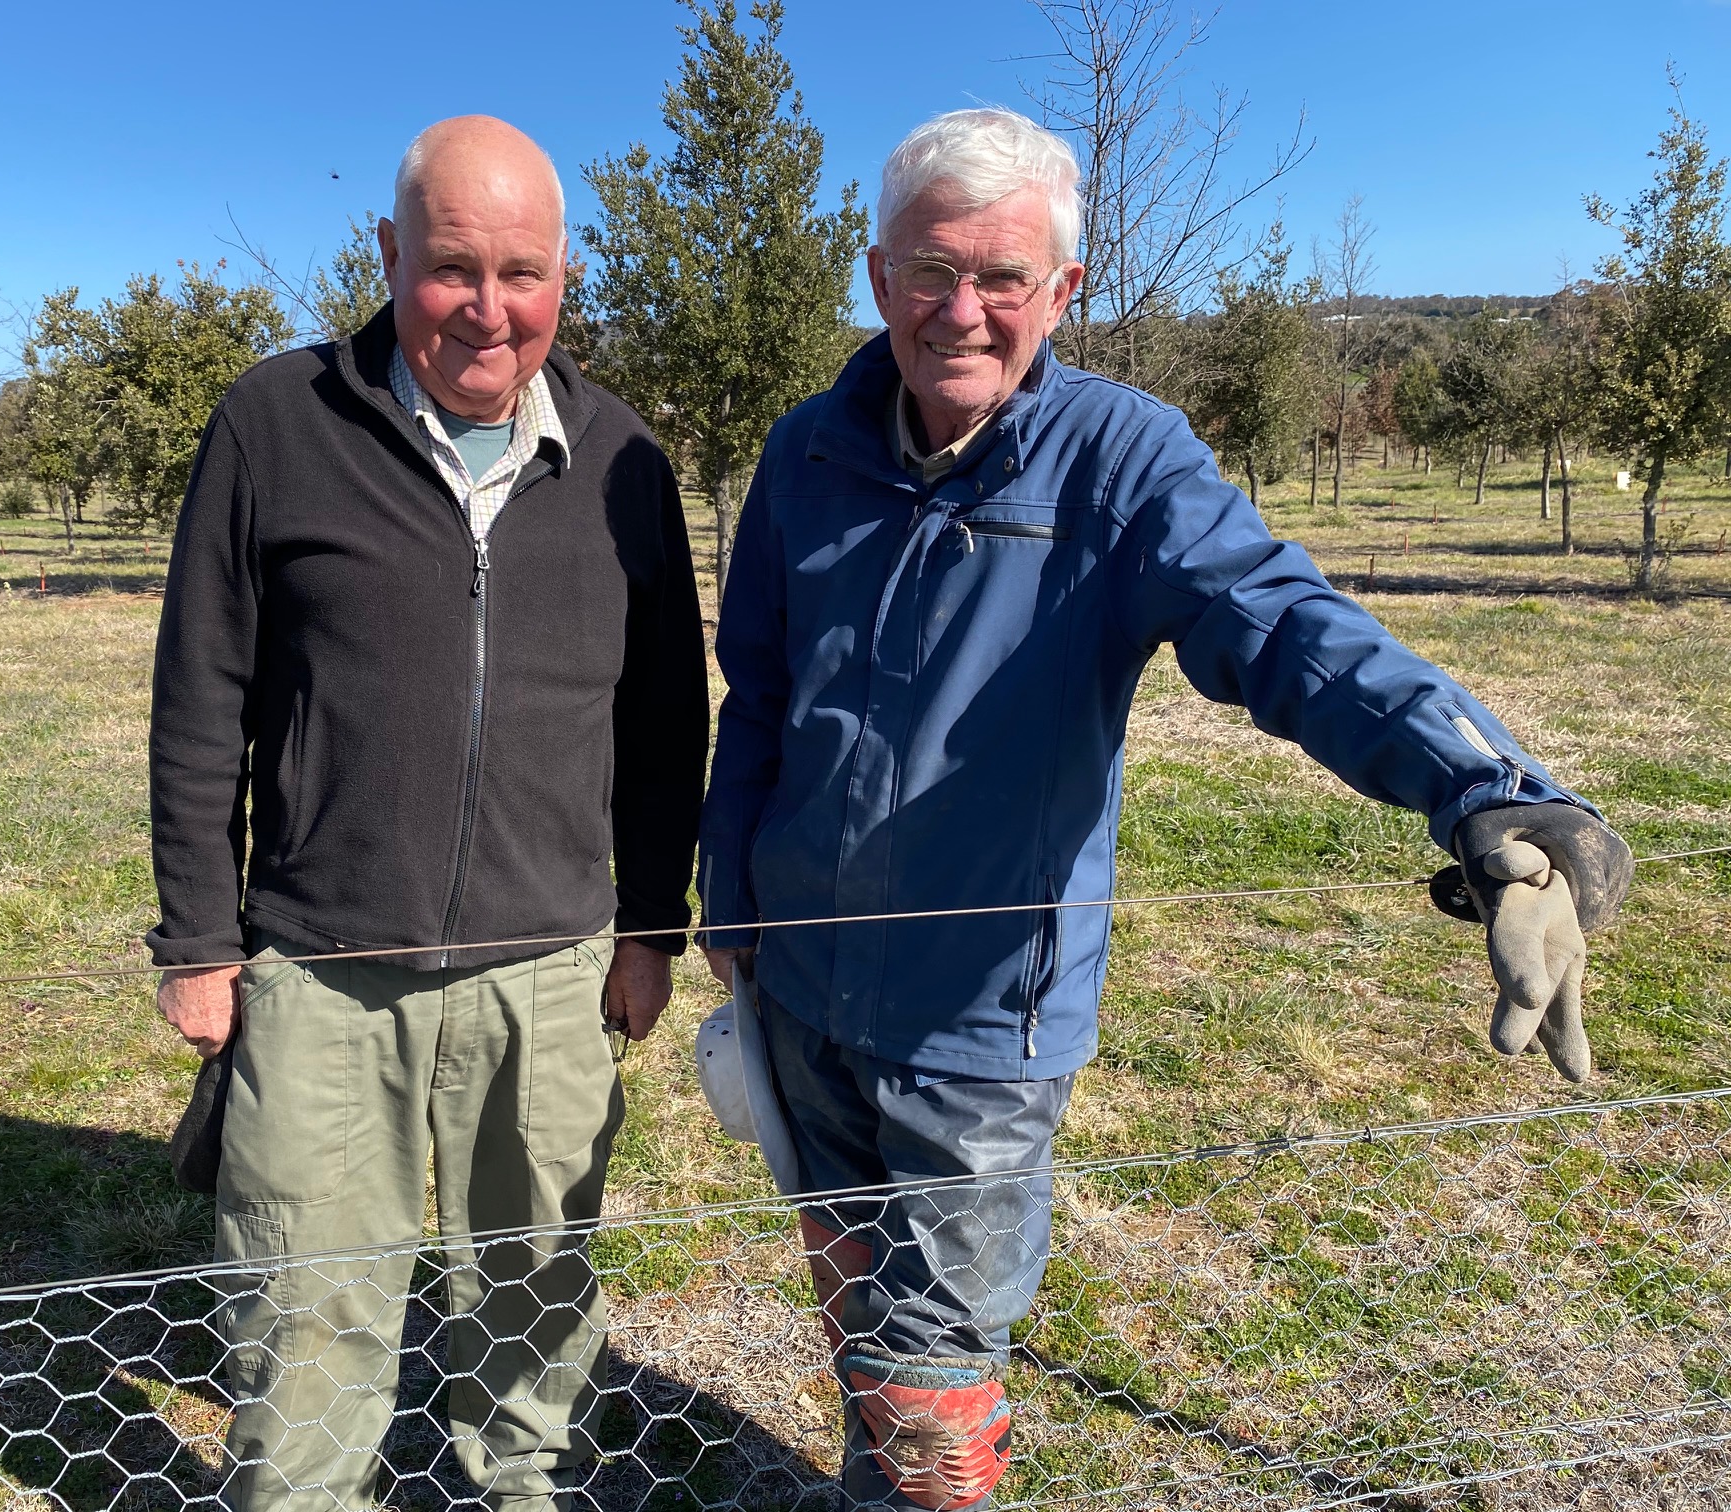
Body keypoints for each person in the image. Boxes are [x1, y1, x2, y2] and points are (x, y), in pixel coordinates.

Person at [696, 107, 1630, 1512]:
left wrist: (1489, 789)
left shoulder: (1119, 463)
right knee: (857, 1320)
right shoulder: (805, 456)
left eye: (1003, 279)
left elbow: (1282, 625)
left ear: (1064, 291)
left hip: (978, 1033)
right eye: (930, 272)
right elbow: (759, 694)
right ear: (877, 274)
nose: (963, 312)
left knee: (934, 1388)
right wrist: (733, 892)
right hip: (803, 989)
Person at [147, 115, 709, 1512]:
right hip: (326, 976)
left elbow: (660, 727)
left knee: (535, 1302)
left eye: (523, 271)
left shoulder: (626, 463)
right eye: (452, 266)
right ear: (389, 254)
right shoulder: (275, 424)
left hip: (552, 975)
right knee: (304, 1320)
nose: (489, 306)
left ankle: (515, 1493)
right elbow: (202, 693)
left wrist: (654, 930)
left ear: (566, 273)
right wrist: (199, 937)